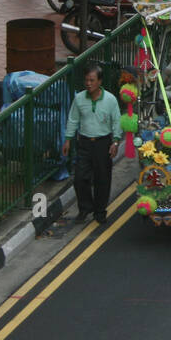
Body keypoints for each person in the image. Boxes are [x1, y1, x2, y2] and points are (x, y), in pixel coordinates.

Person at [61, 64, 122, 225]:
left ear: (100, 81)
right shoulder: (79, 98)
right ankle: (85, 208)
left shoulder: (110, 100)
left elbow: (116, 121)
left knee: (102, 178)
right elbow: (73, 119)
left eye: (92, 80)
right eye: (86, 80)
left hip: (103, 143)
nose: (88, 83)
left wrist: (115, 141)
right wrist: (68, 139)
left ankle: (100, 211)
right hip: (85, 143)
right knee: (80, 178)